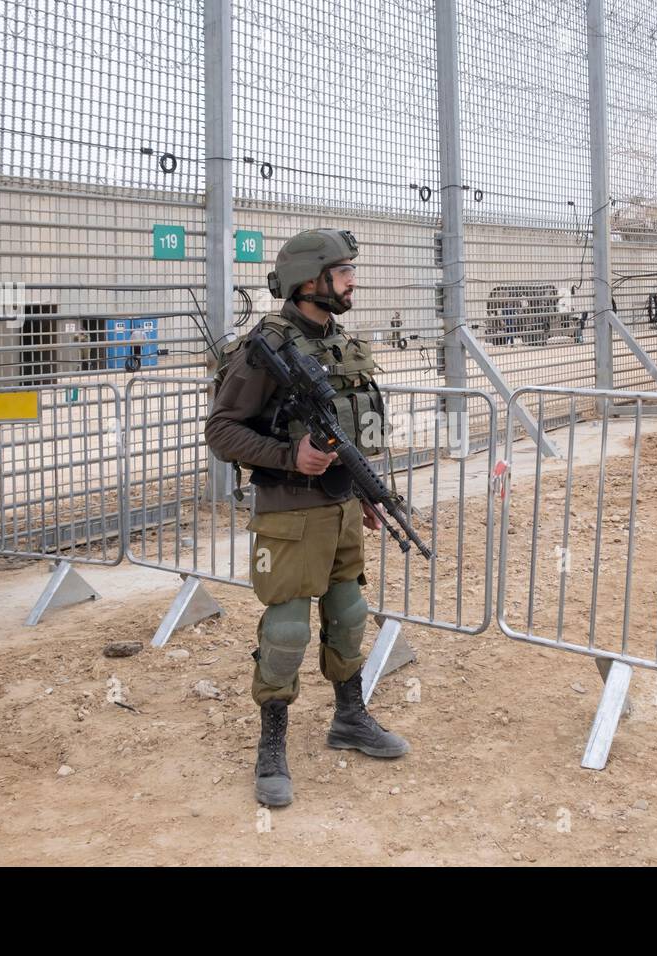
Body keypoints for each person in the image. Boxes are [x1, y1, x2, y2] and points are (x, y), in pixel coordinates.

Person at [205, 228, 409, 808]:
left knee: (349, 613)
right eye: (343, 272)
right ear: (310, 281)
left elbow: (349, 430)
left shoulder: (338, 342)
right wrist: (287, 455)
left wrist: (362, 489)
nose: (352, 281)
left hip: (341, 507)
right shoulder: (264, 348)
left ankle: (350, 719)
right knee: (288, 628)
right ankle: (272, 747)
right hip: (289, 512)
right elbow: (221, 430)